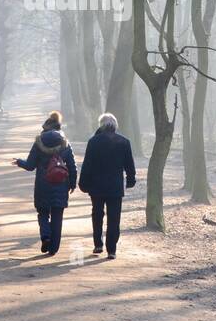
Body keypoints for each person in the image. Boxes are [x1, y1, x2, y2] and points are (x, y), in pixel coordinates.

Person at [12, 110, 77, 256]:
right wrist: (72, 183)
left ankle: (45, 236)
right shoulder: (65, 143)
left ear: (46, 127)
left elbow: (30, 165)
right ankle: (53, 249)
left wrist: (19, 162)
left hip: (43, 183)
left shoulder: (39, 142)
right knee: (57, 215)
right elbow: (72, 166)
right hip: (61, 184)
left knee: (42, 212)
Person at [77, 113, 136, 259]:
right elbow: (129, 164)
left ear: (101, 125)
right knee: (114, 218)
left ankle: (98, 243)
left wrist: (83, 183)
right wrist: (130, 180)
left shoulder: (94, 141)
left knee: (97, 215)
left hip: (96, 186)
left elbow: (87, 164)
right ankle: (112, 250)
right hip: (115, 187)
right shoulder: (124, 142)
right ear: (115, 125)